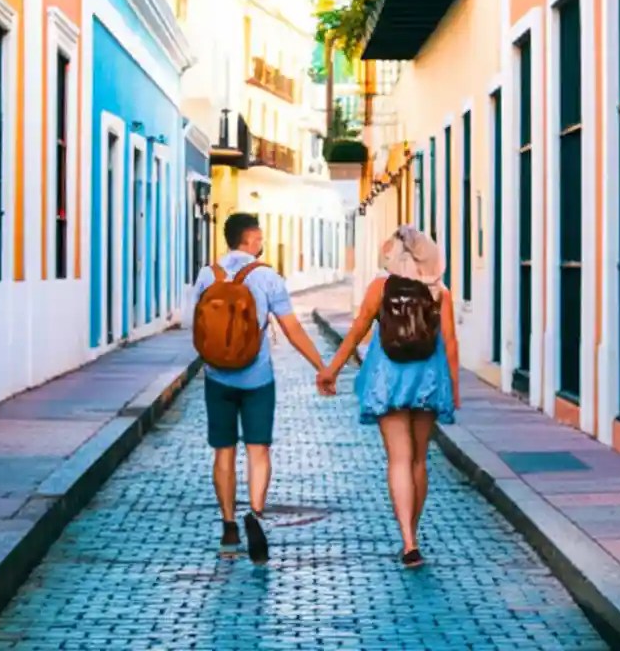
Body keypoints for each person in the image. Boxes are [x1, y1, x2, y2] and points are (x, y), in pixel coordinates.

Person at [317, 225, 460, 568]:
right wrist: (453, 389)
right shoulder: (440, 293)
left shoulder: (380, 288)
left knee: (398, 459)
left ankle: (407, 541)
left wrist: (330, 370)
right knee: (418, 461)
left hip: (388, 379)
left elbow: (356, 332)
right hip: (427, 380)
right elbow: (451, 344)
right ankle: (415, 531)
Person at [192, 212, 327, 563]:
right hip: (258, 377)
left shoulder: (208, 274)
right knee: (258, 450)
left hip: (217, 376)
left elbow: (196, 326)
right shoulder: (267, 276)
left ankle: (228, 525)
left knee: (223, 451)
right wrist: (321, 366)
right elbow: (293, 329)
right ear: (251, 239)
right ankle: (254, 512)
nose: (262, 243)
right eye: (260, 238)